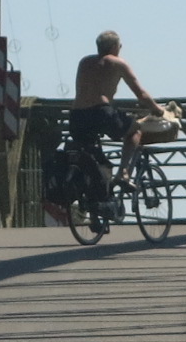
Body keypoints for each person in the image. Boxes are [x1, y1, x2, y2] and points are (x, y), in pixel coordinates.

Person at [47, 30, 160, 227]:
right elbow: (141, 94)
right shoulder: (117, 63)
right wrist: (157, 109)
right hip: (100, 112)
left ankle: (96, 211)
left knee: (92, 159)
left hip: (77, 116)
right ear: (115, 47)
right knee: (134, 131)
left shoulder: (84, 62)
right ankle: (124, 173)